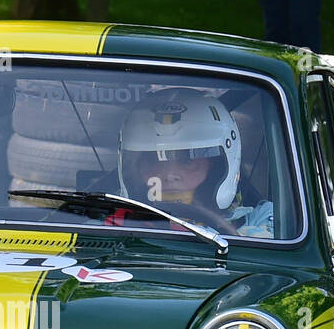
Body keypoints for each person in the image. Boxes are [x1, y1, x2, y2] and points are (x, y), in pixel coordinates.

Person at [116, 88, 274, 238]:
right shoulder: (108, 221)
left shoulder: (263, 220)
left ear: (216, 166)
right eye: (152, 160)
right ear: (133, 168)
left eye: (186, 160)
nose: (170, 175)